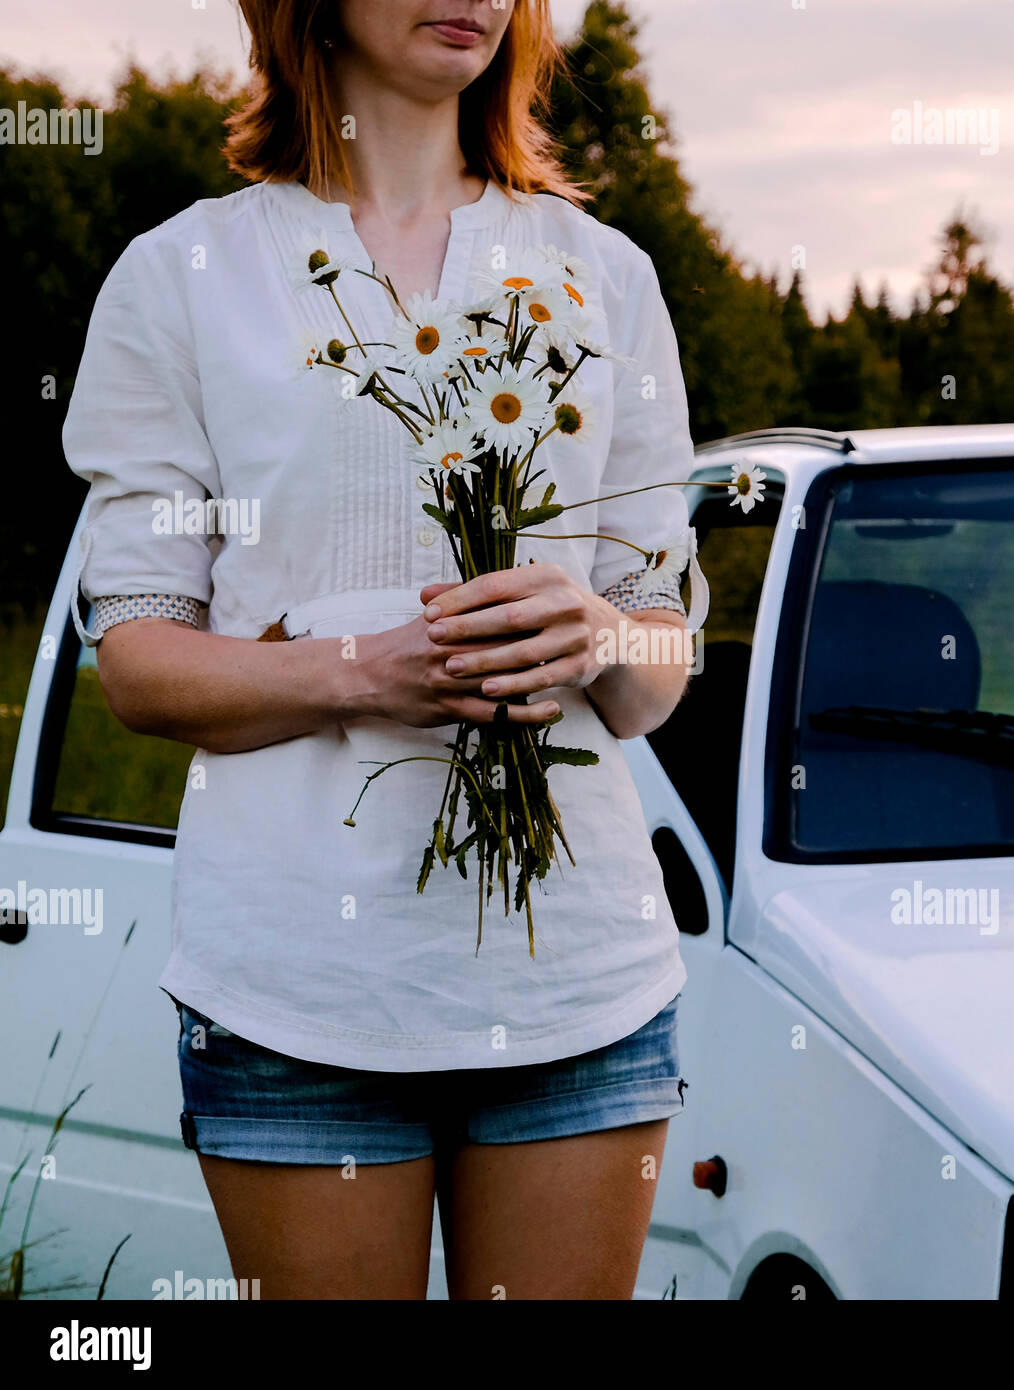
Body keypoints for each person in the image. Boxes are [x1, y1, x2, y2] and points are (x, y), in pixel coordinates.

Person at [62, 0, 699, 1300]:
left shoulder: (604, 274)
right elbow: (136, 658)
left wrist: (595, 630)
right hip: (299, 991)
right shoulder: (182, 278)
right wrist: (367, 671)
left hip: (579, 986)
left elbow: (652, 673)